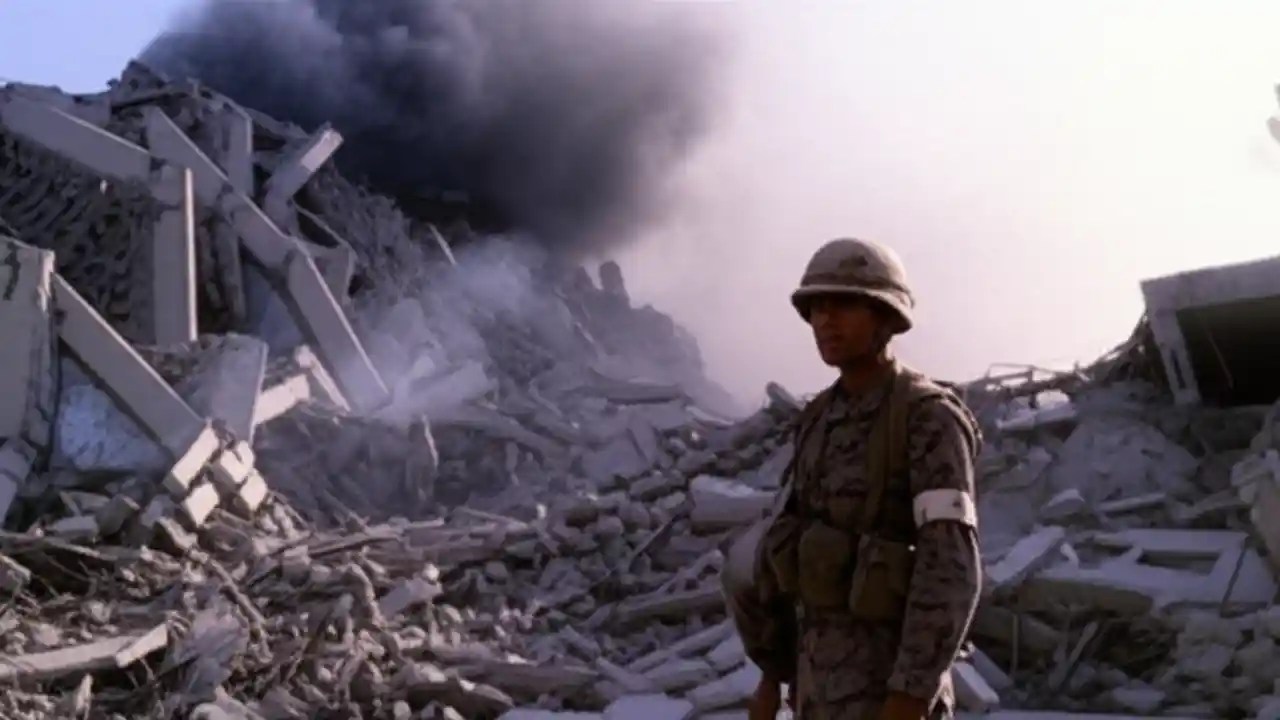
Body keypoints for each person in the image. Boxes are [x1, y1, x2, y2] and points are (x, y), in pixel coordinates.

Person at [722, 238, 983, 720]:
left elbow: (949, 569)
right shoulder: (817, 419)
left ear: (885, 317)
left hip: (888, 691)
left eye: (843, 304)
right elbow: (789, 549)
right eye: (816, 307)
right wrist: (772, 677)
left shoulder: (927, 417)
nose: (825, 319)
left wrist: (908, 698)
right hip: (815, 690)